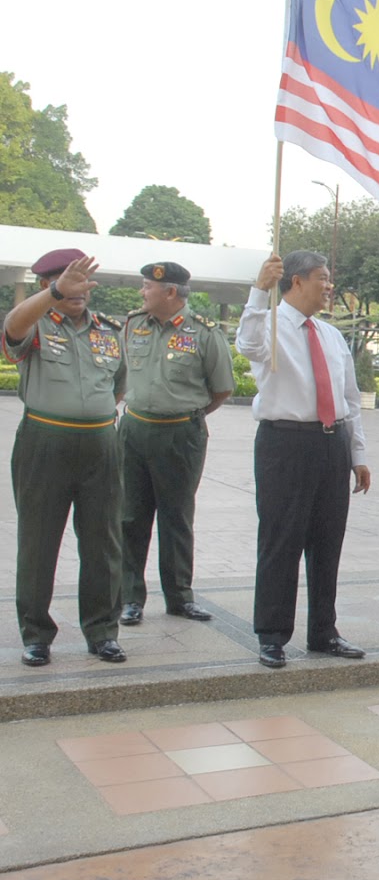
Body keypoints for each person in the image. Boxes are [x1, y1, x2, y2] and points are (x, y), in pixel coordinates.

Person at [234, 251, 371, 669]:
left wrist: (357, 453)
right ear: (295, 281)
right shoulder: (270, 325)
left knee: (328, 542)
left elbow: (349, 398)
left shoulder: (330, 335)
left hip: (331, 443)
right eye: (322, 278)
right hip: (285, 445)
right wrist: (260, 290)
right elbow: (247, 344)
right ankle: (272, 634)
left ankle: (324, 631)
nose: (329, 286)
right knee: (281, 541)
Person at [3, 249, 128, 666]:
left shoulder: (109, 330)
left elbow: (118, 385)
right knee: (38, 542)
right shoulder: (34, 321)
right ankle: (36, 634)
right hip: (45, 440)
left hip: (100, 444)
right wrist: (56, 294)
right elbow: (11, 327)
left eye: (82, 279)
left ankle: (102, 631)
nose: (79, 288)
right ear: (46, 284)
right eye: (66, 280)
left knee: (103, 541)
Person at [117, 262, 234, 628]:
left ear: (170, 292)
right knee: (130, 517)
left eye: (147, 287)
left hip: (180, 434)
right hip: (134, 430)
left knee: (176, 517)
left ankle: (180, 597)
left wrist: (185, 415)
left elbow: (221, 389)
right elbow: (118, 376)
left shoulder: (203, 333)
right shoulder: (133, 325)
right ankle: (129, 598)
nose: (141, 292)